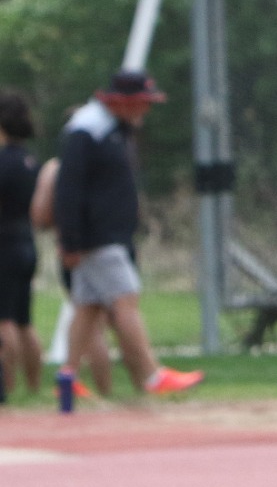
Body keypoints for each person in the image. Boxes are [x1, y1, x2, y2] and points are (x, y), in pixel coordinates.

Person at [53, 69, 203, 397]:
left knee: (88, 306)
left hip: (107, 233)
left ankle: (67, 375)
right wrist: (72, 238)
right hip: (99, 236)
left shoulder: (116, 129)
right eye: (142, 103)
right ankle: (152, 375)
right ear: (123, 102)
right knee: (126, 300)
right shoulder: (89, 129)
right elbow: (69, 188)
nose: (146, 110)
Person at [0, 91, 42, 400]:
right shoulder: (28, 160)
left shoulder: (3, 162)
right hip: (26, 240)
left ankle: (8, 386)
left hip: (3, 244)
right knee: (25, 321)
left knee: (4, 321)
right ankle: (33, 386)